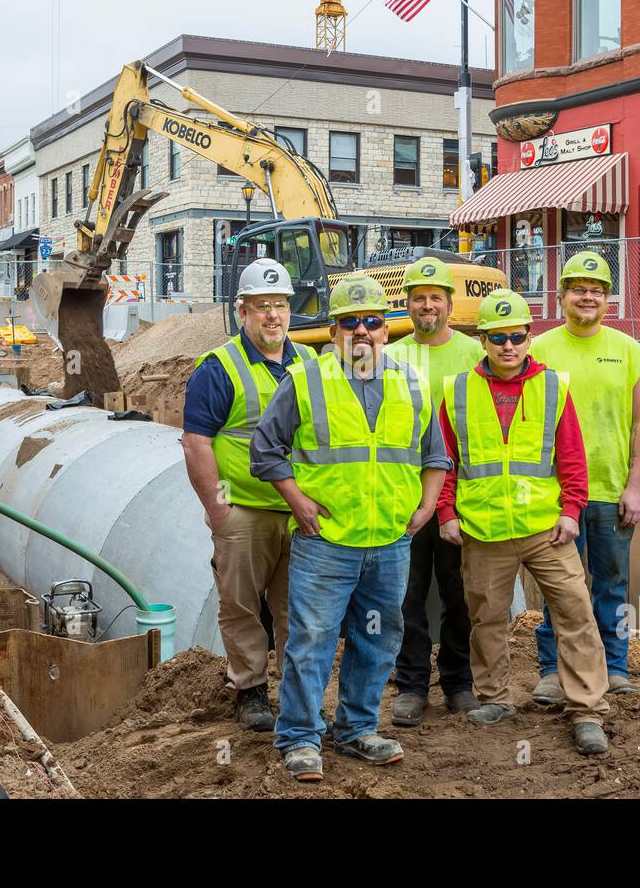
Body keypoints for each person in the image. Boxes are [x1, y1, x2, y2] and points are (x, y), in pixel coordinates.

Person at [249, 274, 450, 782]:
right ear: (334, 330)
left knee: (377, 638)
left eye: (372, 322)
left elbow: (434, 456)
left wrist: (425, 509)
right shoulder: (305, 381)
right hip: (327, 542)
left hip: (389, 541)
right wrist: (298, 503)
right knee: (312, 639)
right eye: (349, 323)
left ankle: (357, 728)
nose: (362, 332)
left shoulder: (412, 383)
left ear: (387, 330)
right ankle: (299, 737)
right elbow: (265, 451)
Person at [438, 289, 613, 756]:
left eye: (517, 336)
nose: (508, 346)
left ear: (529, 337)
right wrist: (446, 512)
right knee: (487, 619)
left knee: (575, 612)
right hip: (484, 530)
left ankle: (586, 709)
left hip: (545, 529)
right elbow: (445, 460)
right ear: (483, 340)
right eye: (498, 338)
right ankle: (494, 698)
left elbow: (573, 458)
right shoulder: (457, 391)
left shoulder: (553, 386)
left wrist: (572, 510)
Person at [182, 258, 316, 732]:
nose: (273, 316)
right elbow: (196, 442)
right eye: (262, 307)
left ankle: (299, 695)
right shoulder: (218, 368)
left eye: (280, 305)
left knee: (296, 608)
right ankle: (251, 690)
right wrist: (219, 509)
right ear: (243, 312)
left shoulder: (311, 364)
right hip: (245, 512)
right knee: (240, 605)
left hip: (302, 514)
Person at [529, 250, 640, 703]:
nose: (588, 297)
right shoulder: (539, 350)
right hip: (557, 495)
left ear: (607, 300)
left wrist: (635, 485)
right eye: (579, 289)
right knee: (559, 587)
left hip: (611, 490)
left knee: (611, 586)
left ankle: (613, 666)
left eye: (597, 290)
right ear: (561, 296)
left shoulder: (630, 352)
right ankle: (552, 670)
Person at [383, 257, 485, 726]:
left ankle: (459, 682)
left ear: (449, 303)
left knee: (457, 592)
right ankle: (411, 684)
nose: (427, 305)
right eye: (419, 298)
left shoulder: (472, 354)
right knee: (409, 592)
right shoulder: (393, 356)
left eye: (435, 298)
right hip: (407, 493)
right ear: (408, 304)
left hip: (461, 494)